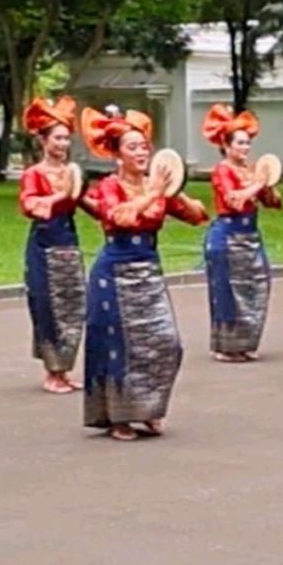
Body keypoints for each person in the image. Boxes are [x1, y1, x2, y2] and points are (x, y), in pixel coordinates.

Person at [79, 106, 209, 441]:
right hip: (114, 273)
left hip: (149, 273)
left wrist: (173, 188)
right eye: (132, 147)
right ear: (117, 155)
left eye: (144, 146)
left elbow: (199, 215)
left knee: (168, 342)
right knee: (118, 346)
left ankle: (148, 408)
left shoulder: (158, 187)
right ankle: (120, 417)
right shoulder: (110, 186)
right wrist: (151, 193)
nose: (141, 152)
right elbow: (119, 217)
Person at [17, 94, 87, 393]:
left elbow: (89, 203)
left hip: (69, 242)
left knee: (72, 305)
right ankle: (52, 371)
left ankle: (65, 369)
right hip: (44, 244)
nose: (62, 144)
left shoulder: (72, 172)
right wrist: (62, 196)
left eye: (66, 138)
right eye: (57, 138)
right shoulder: (34, 174)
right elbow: (30, 205)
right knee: (47, 305)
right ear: (43, 141)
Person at [202, 104, 282, 362]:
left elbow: (273, 203)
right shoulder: (222, 170)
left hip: (250, 236)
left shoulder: (250, 171)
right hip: (227, 236)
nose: (246, 148)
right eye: (240, 143)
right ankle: (226, 347)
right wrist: (258, 184)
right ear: (226, 146)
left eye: (248, 143)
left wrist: (269, 187)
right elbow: (233, 200)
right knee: (229, 290)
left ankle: (245, 342)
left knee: (257, 286)